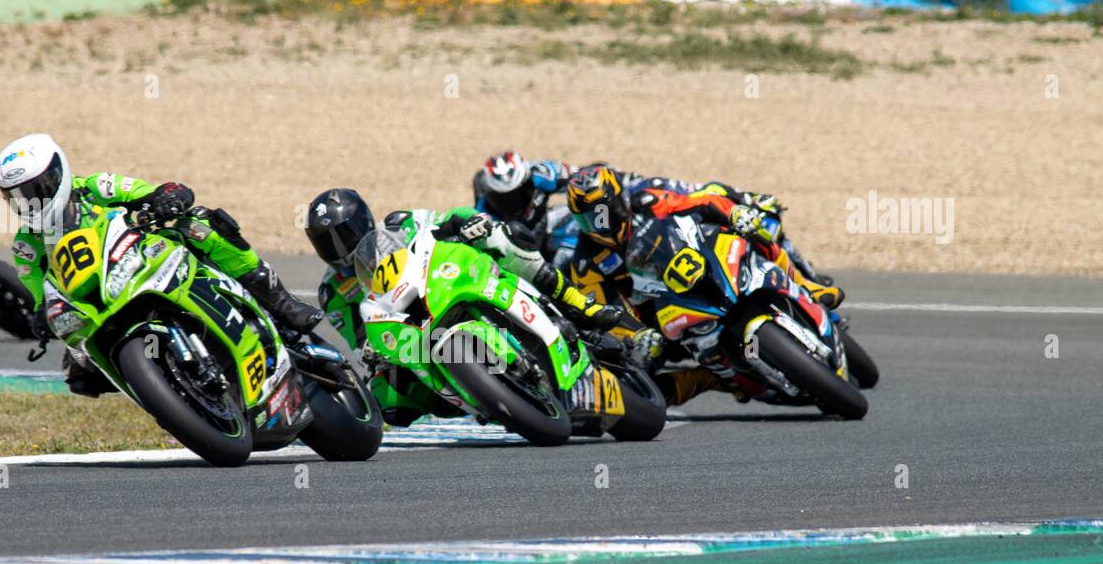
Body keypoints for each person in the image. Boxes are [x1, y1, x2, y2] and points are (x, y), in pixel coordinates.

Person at [0, 133, 321, 396]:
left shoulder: (93, 188)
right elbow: (41, 293)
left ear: (57, 173)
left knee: (198, 225)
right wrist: (40, 314)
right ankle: (155, 382)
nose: (30, 200)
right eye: (19, 196)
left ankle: (279, 300)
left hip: (141, 259)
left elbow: (142, 192)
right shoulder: (26, 244)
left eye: (36, 189)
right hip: (95, 302)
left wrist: (166, 195)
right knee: (78, 368)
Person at [304, 188, 624, 426]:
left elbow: (445, 219)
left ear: (362, 220)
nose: (340, 247)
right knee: (390, 403)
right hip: (408, 331)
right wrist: (369, 353)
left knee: (501, 238)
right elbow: (358, 336)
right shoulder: (333, 291)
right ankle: (479, 393)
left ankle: (577, 303)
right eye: (327, 242)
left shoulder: (402, 223)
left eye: (343, 234)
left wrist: (468, 221)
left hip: (445, 285)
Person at [564, 164, 843, 404]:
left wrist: (735, 215)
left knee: (758, 231)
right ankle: (718, 380)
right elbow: (601, 310)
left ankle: (807, 285)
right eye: (586, 218)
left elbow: (702, 201)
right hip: (656, 313)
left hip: (698, 261)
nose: (599, 222)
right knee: (642, 376)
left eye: (604, 211)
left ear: (619, 202)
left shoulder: (646, 201)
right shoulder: (587, 260)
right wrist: (635, 335)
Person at [471, 150, 575, 248]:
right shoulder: (483, 212)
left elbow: (582, 178)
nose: (510, 204)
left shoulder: (545, 174)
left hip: (544, 229)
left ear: (529, 184)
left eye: (517, 195)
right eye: (502, 199)